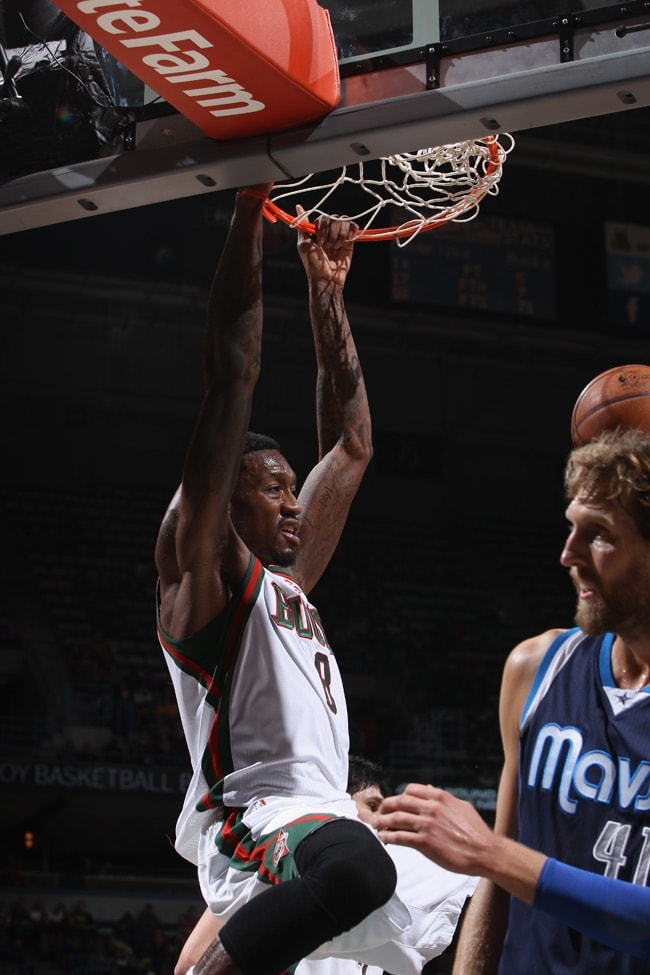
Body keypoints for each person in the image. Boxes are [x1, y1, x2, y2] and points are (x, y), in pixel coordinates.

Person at [155, 187, 473, 975]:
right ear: (226, 495)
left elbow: (355, 444)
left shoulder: (289, 582)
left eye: (296, 485)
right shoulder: (205, 576)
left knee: (485, 886)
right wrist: (245, 213)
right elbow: (232, 377)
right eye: (273, 487)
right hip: (255, 816)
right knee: (362, 870)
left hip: (325, 813)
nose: (295, 501)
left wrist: (328, 294)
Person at [376, 427, 650, 972]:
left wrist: (490, 854)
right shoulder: (536, 669)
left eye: (599, 534)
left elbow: (496, 857)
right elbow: (496, 882)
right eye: (571, 527)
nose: (568, 554)